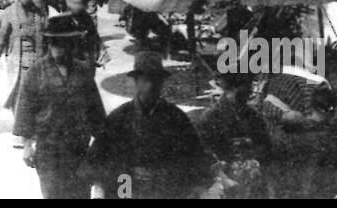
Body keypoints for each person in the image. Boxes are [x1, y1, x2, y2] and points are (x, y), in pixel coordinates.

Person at [88, 51, 213, 199]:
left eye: (156, 79)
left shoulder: (176, 117)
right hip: (127, 188)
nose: (151, 85)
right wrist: (99, 190)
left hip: (165, 189)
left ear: (162, 82)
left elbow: (195, 156)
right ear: (136, 81)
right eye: (146, 79)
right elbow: (98, 157)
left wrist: (201, 188)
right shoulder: (119, 117)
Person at [13, 14, 107, 199]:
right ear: (49, 43)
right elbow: (25, 108)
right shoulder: (36, 71)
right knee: (53, 194)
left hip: (78, 149)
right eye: (56, 43)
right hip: (49, 151)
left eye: (66, 43)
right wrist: (26, 145)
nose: (60, 49)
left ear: (73, 44)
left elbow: (95, 110)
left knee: (80, 193)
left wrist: (103, 144)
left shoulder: (83, 72)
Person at [0, 0, 47, 148]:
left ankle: (32, 129)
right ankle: (20, 132)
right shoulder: (9, 12)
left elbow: (47, 35)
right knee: (20, 95)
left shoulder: (39, 13)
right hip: (17, 59)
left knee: (37, 95)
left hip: (37, 59)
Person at [198, 69, 271, 198]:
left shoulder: (253, 115)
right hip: (225, 181)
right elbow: (206, 154)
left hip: (254, 181)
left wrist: (254, 161)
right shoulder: (211, 117)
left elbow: (265, 146)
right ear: (232, 88)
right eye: (247, 86)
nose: (250, 91)